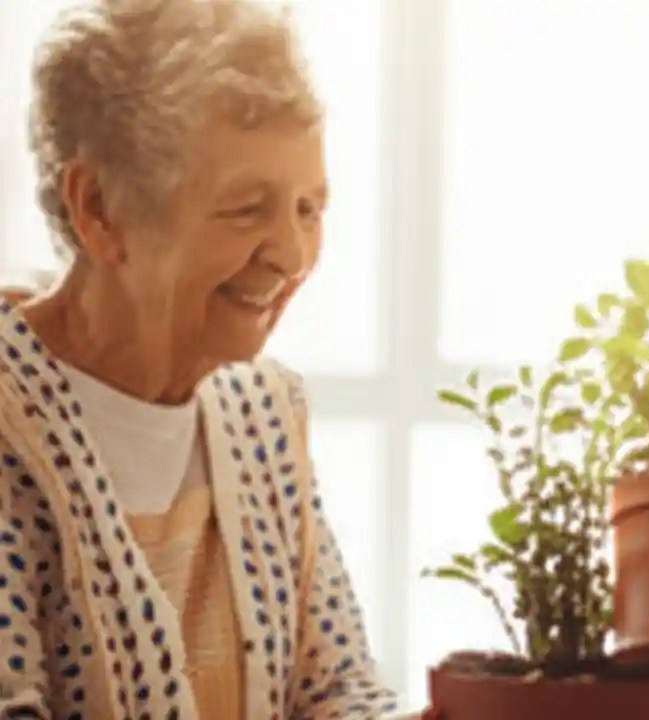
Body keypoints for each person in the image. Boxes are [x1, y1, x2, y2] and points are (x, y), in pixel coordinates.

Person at [0, 0, 411, 717]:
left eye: (309, 209)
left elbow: (338, 688)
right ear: (99, 209)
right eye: (247, 209)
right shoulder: (13, 424)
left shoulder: (266, 418)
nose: (291, 255)